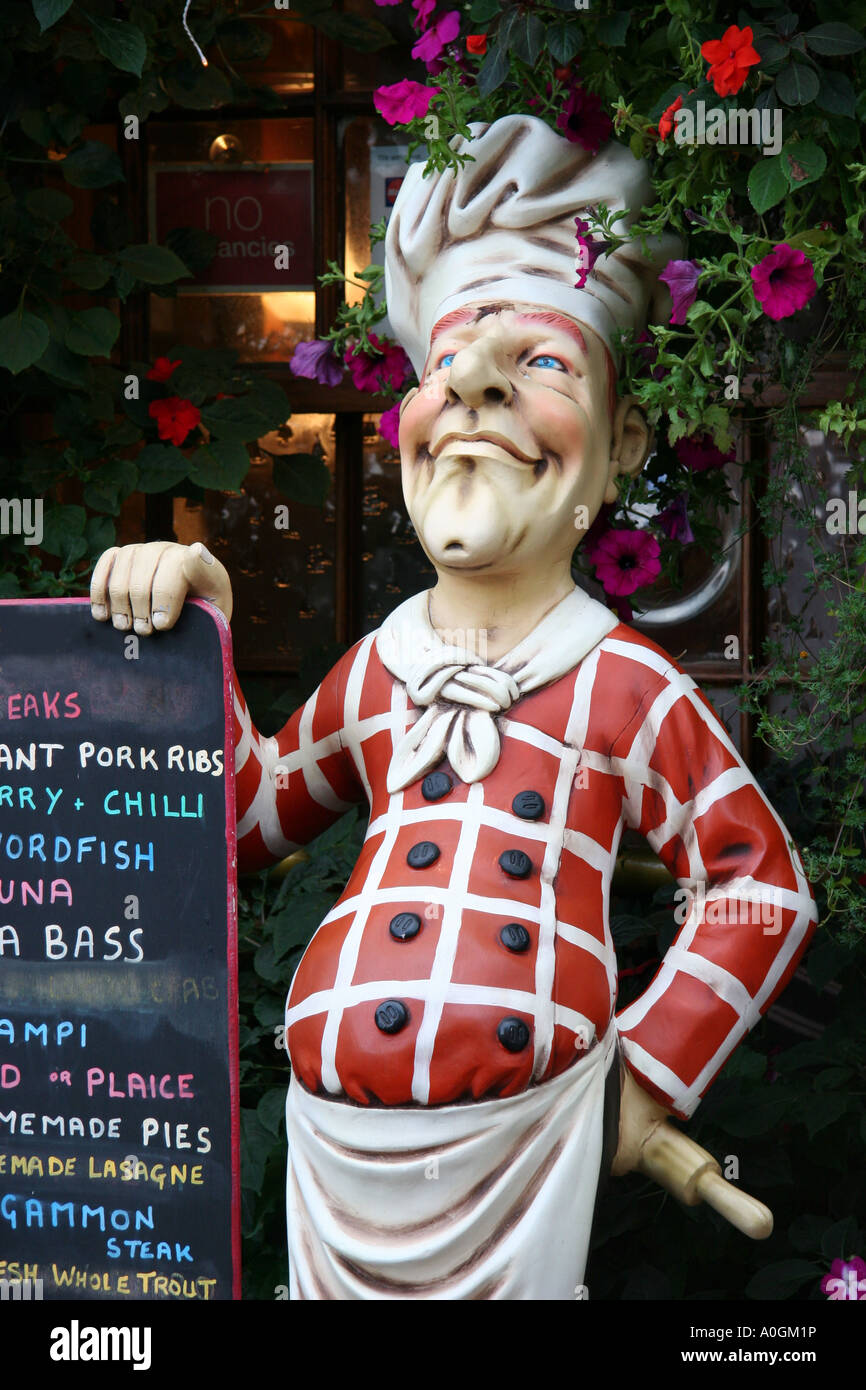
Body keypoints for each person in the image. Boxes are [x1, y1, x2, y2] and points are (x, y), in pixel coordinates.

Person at [91, 115, 817, 1300]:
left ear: (620, 445)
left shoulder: (620, 681)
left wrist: (639, 1083)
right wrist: (197, 645)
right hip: (332, 1157)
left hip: (522, 1151)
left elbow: (757, 883)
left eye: (540, 362)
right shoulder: (380, 666)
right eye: (451, 362)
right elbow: (240, 826)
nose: (475, 384)